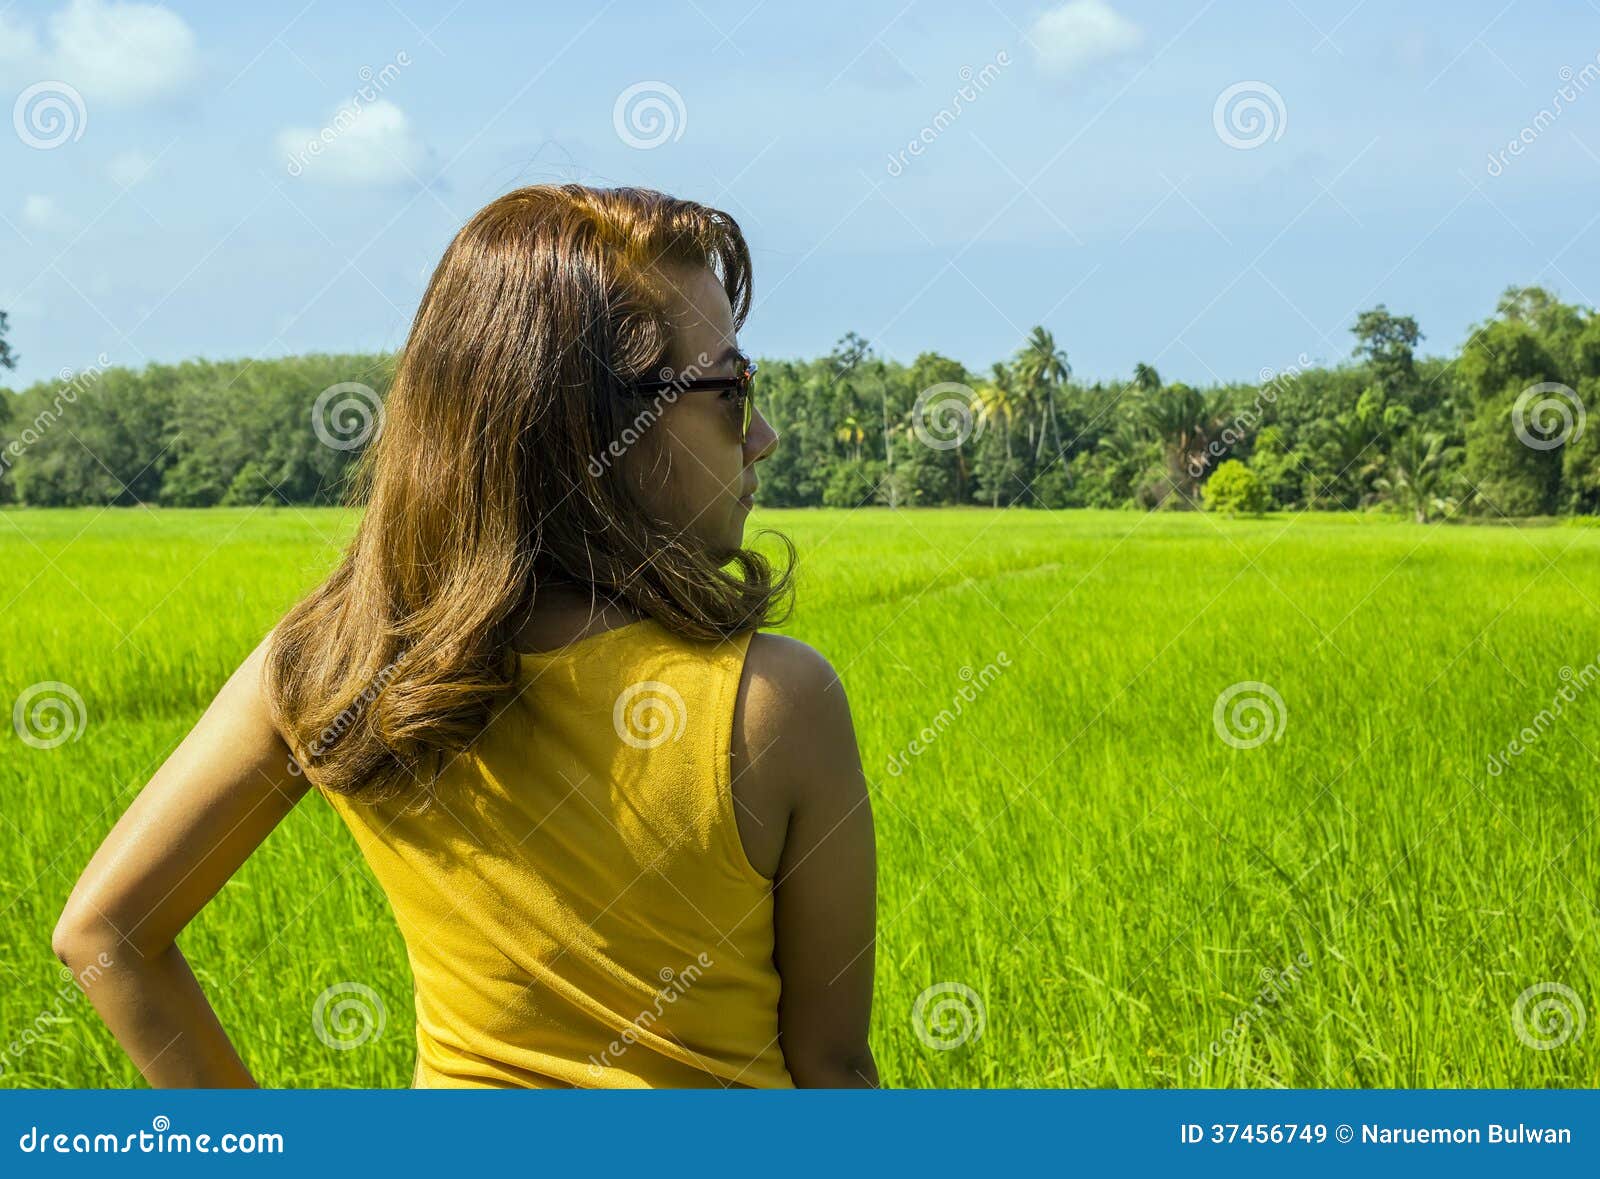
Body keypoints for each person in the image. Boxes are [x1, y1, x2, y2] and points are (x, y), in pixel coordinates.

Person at [51, 184, 879, 1089]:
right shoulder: (773, 703)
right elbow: (832, 1066)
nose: (759, 434)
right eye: (730, 388)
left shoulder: (336, 667)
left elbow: (104, 933)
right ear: (595, 425)